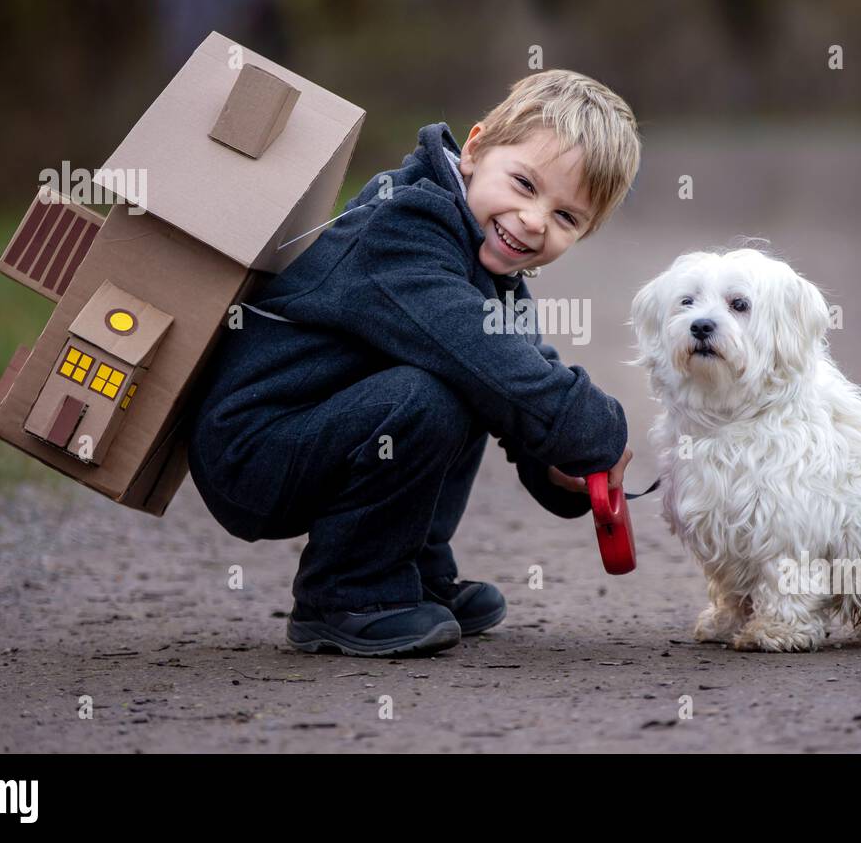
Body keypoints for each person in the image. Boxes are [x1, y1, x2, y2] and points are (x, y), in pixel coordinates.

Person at [186, 69, 642, 657]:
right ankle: (348, 592)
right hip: (253, 447)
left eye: (566, 218)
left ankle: (413, 569)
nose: (534, 221)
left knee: (470, 379)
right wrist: (588, 425)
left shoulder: (488, 264)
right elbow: (487, 354)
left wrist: (558, 466)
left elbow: (523, 368)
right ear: (475, 149)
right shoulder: (402, 228)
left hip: (313, 429)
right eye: (525, 185)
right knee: (438, 386)